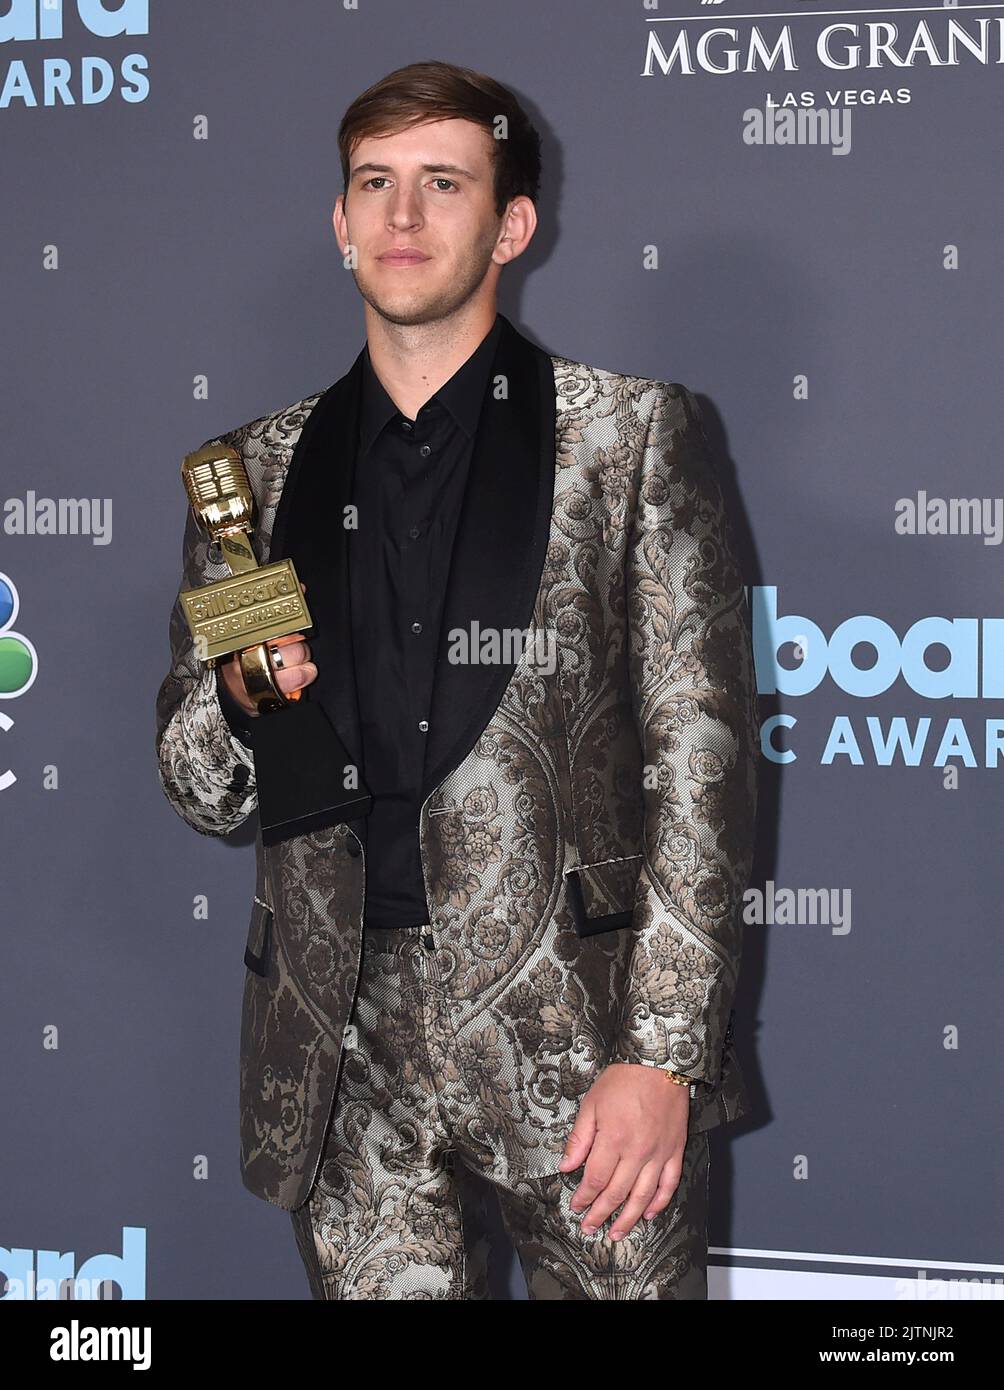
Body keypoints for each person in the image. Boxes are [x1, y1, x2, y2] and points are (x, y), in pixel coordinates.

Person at [155, 58, 759, 1300]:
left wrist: (664, 1056)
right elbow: (206, 790)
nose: (402, 217)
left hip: (581, 1044)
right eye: (372, 184)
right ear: (338, 223)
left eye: (442, 182)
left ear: (512, 223)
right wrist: (234, 694)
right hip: (341, 1055)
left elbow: (701, 764)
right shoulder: (253, 476)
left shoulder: (625, 438)